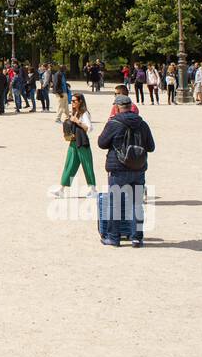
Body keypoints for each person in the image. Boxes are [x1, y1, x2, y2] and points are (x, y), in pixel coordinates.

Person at [96, 94, 156, 247]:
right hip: (138, 168)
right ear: (131, 107)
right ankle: (137, 238)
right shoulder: (142, 123)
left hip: (118, 167)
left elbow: (102, 143)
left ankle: (113, 237)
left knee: (115, 203)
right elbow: (151, 147)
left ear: (117, 107)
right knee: (137, 204)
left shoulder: (114, 123)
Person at [50, 94, 96, 198]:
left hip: (82, 142)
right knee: (69, 165)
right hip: (73, 142)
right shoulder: (74, 112)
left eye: (75, 101)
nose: (72, 102)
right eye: (72, 100)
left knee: (87, 165)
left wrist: (77, 122)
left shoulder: (84, 113)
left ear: (80, 101)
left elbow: (89, 128)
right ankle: (61, 189)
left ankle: (93, 189)